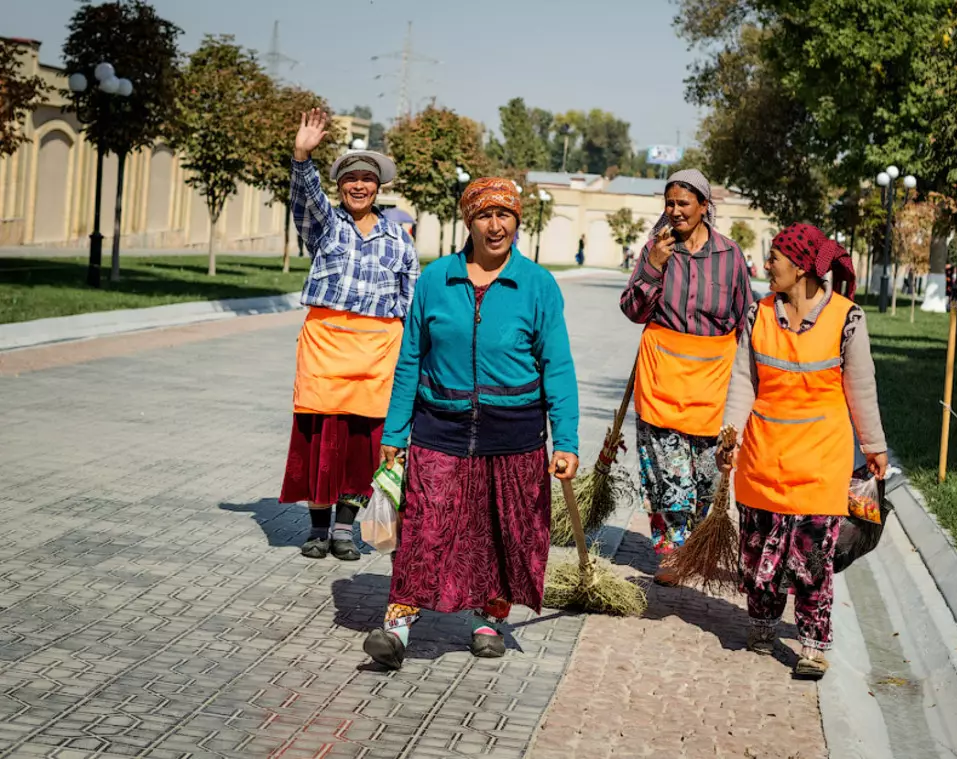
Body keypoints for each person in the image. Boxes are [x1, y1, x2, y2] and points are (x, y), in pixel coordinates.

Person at [362, 177, 581, 669]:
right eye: (485, 215)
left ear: (517, 221)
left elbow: (558, 366)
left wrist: (565, 439)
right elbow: (410, 360)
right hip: (441, 427)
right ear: (469, 221)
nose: (496, 225)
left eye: (505, 215)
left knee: (501, 531)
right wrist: (395, 434)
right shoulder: (436, 279)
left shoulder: (538, 285)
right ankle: (396, 628)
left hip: (516, 434)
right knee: (424, 526)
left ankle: (489, 622)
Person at [718, 223, 887, 680]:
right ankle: (762, 623)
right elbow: (742, 380)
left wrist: (874, 446)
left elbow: (861, 388)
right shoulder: (758, 314)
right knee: (758, 552)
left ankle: (812, 645)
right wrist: (729, 437)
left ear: (801, 267)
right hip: (762, 456)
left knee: (812, 559)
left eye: (774, 257)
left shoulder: (846, 318)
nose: (767, 265)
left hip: (820, 460)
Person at [280, 109, 420, 561]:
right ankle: (317, 530)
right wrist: (302, 156)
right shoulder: (326, 226)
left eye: (367, 179)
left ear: (379, 187)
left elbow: (412, 302)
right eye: (351, 179)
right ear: (340, 185)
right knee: (322, 439)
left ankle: (345, 529)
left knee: (363, 446)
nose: (359, 185)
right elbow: (307, 200)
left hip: (377, 358)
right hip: (326, 352)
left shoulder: (399, 239)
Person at [619, 169, 754, 583]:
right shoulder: (656, 250)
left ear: (704, 206)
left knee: (704, 473)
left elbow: (745, 316)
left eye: (684, 203)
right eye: (670, 203)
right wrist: (654, 267)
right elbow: (632, 310)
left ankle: (695, 542)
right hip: (662, 376)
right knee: (666, 472)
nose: (675, 212)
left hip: (712, 379)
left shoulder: (729, 256)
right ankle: (673, 552)